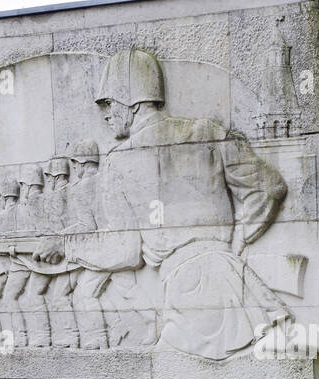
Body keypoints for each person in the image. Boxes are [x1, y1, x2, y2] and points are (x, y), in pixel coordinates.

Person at [39, 48, 291, 359]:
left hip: (188, 293)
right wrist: (236, 243)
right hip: (231, 275)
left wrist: (67, 246)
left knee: (170, 374)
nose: (105, 113)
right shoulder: (206, 131)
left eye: (108, 103)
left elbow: (124, 250)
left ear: (131, 100)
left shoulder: (120, 161)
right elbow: (270, 187)